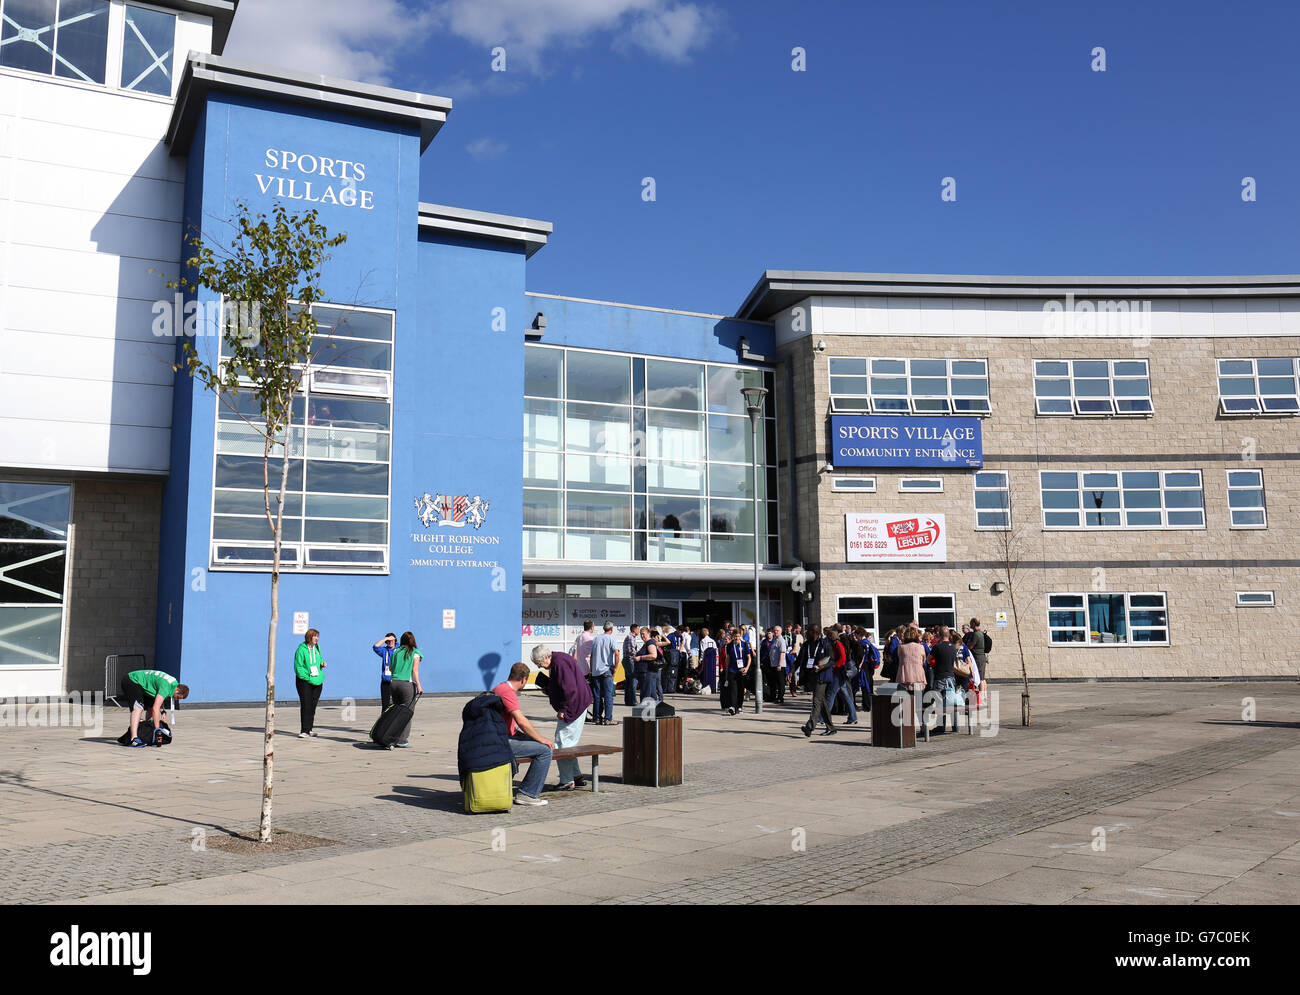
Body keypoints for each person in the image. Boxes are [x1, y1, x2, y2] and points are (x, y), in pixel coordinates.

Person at [532, 645, 593, 790]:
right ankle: (576, 775)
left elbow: (570, 688)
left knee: (562, 743)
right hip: (577, 703)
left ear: (546, 657)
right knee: (568, 742)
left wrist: (564, 709)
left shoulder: (559, 663)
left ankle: (566, 781)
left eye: (539, 663)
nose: (540, 667)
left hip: (574, 706)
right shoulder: (558, 660)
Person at [493, 662, 553, 806]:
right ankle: (528, 793)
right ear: (524, 679)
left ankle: (510, 784)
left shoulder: (500, 687)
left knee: (536, 743)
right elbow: (521, 721)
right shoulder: (508, 692)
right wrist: (541, 738)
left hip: (499, 736)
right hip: (502, 741)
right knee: (545, 750)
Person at [120, 669, 189, 746]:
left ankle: (147, 731)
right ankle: (134, 739)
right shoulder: (166, 686)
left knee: (150, 706)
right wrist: (157, 729)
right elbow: (156, 708)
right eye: (177, 697)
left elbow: (160, 697)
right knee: (138, 708)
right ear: (177, 690)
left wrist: (163, 712)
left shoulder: (173, 684)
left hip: (143, 684)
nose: (176, 699)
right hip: (132, 680)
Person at [385, 631, 423, 748]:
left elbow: (390, 668)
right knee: (407, 713)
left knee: (396, 712)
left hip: (394, 683)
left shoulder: (396, 651)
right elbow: (414, 671)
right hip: (407, 685)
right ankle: (402, 740)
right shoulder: (415, 653)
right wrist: (419, 685)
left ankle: (391, 737)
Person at [800, 625, 837, 737]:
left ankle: (809, 727)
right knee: (822, 702)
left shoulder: (825, 644)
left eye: (808, 632)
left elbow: (832, 661)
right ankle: (831, 728)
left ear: (814, 632)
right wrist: (792, 672)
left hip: (823, 676)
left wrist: (823, 667)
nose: (806, 634)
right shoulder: (807, 644)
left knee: (816, 701)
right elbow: (799, 660)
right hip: (812, 676)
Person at [293, 627, 327, 738]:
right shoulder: (301, 649)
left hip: (317, 680)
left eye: (318, 636)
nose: (317, 638)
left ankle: (310, 729)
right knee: (306, 705)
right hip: (305, 681)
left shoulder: (317, 647)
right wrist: (307, 677)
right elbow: (298, 666)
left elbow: (319, 659)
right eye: (315, 636)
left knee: (313, 705)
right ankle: (304, 730)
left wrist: (322, 664)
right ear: (309, 637)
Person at [590, 621, 620, 726]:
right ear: (611, 629)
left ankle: (597, 717)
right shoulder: (611, 639)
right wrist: (615, 667)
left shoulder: (596, 639)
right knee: (608, 695)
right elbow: (616, 653)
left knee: (597, 696)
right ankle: (608, 719)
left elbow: (592, 655)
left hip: (596, 670)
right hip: (607, 670)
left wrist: (591, 669)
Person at [964, 617, 991, 694]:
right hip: (981, 657)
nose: (970, 625)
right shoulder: (981, 633)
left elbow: (971, 646)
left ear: (973, 624)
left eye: (970, 623)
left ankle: (982, 697)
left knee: (980, 679)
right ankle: (984, 696)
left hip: (978, 658)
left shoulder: (976, 634)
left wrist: (967, 644)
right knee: (983, 678)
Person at [637, 627, 663, 702]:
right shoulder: (646, 643)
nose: (642, 636)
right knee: (648, 693)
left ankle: (648, 711)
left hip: (648, 672)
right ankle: (650, 710)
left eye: (643, 634)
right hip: (645, 672)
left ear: (649, 634)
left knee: (647, 694)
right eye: (641, 634)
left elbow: (653, 655)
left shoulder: (650, 643)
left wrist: (640, 658)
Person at [373, 632, 397, 712]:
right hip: (386, 681)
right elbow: (375, 647)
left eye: (392, 640)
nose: (390, 642)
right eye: (388, 641)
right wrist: (386, 638)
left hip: (396, 681)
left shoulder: (400, 649)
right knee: (385, 705)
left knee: (396, 704)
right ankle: (384, 722)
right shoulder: (384, 650)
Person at [622, 625, 643, 706]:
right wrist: (639, 656)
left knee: (628, 681)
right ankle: (633, 700)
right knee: (633, 680)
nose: (639, 631)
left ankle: (628, 700)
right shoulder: (631, 637)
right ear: (635, 629)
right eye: (638, 629)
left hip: (627, 660)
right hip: (629, 660)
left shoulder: (631, 637)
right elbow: (632, 651)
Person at [768, 625, 788, 704]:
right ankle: (773, 697)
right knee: (773, 682)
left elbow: (782, 653)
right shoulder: (775, 640)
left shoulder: (781, 640)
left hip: (779, 665)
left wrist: (779, 664)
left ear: (780, 631)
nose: (775, 632)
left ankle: (780, 697)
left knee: (780, 682)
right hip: (774, 664)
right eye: (775, 630)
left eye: (777, 630)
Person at [699, 627, 718, 692]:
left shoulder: (702, 641)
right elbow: (716, 649)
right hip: (712, 659)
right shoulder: (712, 640)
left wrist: (701, 659)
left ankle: (706, 685)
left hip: (706, 658)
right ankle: (712, 687)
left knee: (705, 672)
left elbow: (702, 651)